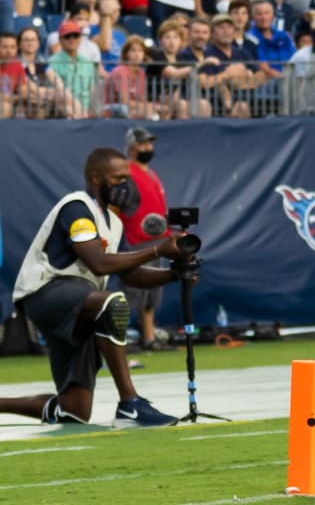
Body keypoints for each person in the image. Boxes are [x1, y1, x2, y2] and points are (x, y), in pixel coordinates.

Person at [0, 148, 195, 427]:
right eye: (117, 178)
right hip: (46, 293)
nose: (124, 186)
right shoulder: (77, 207)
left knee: (74, 411)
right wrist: (157, 249)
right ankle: (130, 404)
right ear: (95, 178)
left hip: (78, 305)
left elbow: (130, 274)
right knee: (112, 303)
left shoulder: (113, 223)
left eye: (127, 178)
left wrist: (175, 274)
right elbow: (98, 263)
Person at [119, 127, 174, 352]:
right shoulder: (127, 173)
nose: (148, 148)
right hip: (137, 242)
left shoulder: (150, 173)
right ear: (132, 148)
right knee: (132, 294)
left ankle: (149, 339)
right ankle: (118, 340)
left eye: (150, 144)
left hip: (158, 241)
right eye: (143, 144)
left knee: (152, 295)